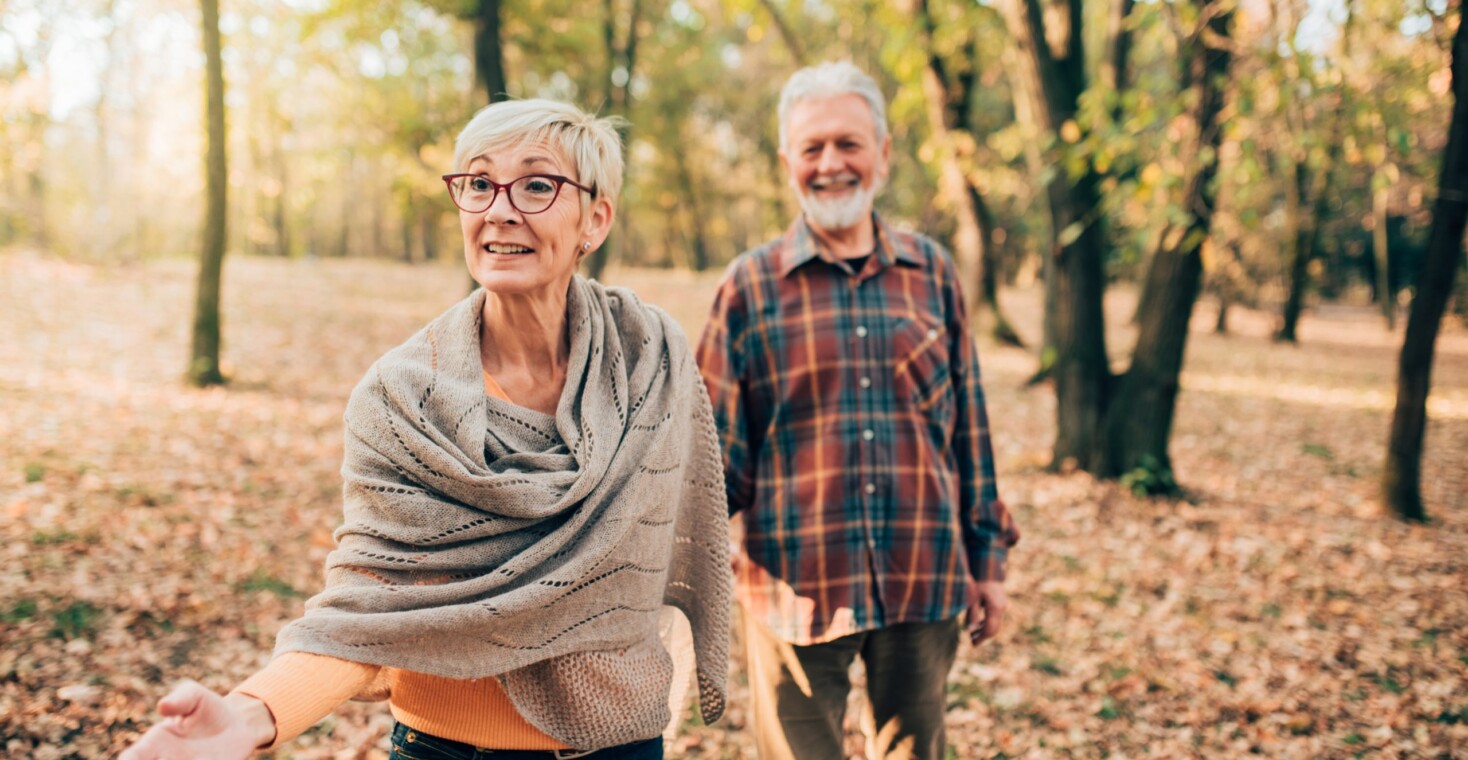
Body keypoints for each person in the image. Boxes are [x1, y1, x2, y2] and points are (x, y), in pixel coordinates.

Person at [121, 99, 730, 760]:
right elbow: (371, 603)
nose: (500, 209)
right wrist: (250, 715)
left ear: (596, 218)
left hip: (620, 745)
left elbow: (659, 552)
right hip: (446, 749)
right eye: (477, 183)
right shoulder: (400, 398)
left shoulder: (650, 358)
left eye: (536, 184)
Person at [695, 61, 1020, 760]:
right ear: (788, 162)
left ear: (883, 154)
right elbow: (711, 455)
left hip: (923, 574)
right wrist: (679, 550)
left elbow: (969, 429)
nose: (831, 164)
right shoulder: (748, 289)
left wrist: (987, 559)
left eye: (848, 144)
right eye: (812, 148)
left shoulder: (932, 272)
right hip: (793, 588)